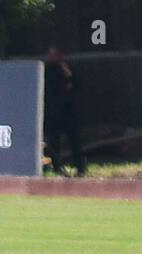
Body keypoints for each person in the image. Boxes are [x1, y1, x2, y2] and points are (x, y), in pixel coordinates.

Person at [44, 46, 87, 176]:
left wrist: (69, 77)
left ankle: (80, 168)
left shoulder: (67, 69)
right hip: (53, 112)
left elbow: (77, 84)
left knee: (75, 140)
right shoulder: (46, 70)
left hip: (68, 112)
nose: (53, 57)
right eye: (51, 55)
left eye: (56, 55)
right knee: (54, 141)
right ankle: (57, 167)